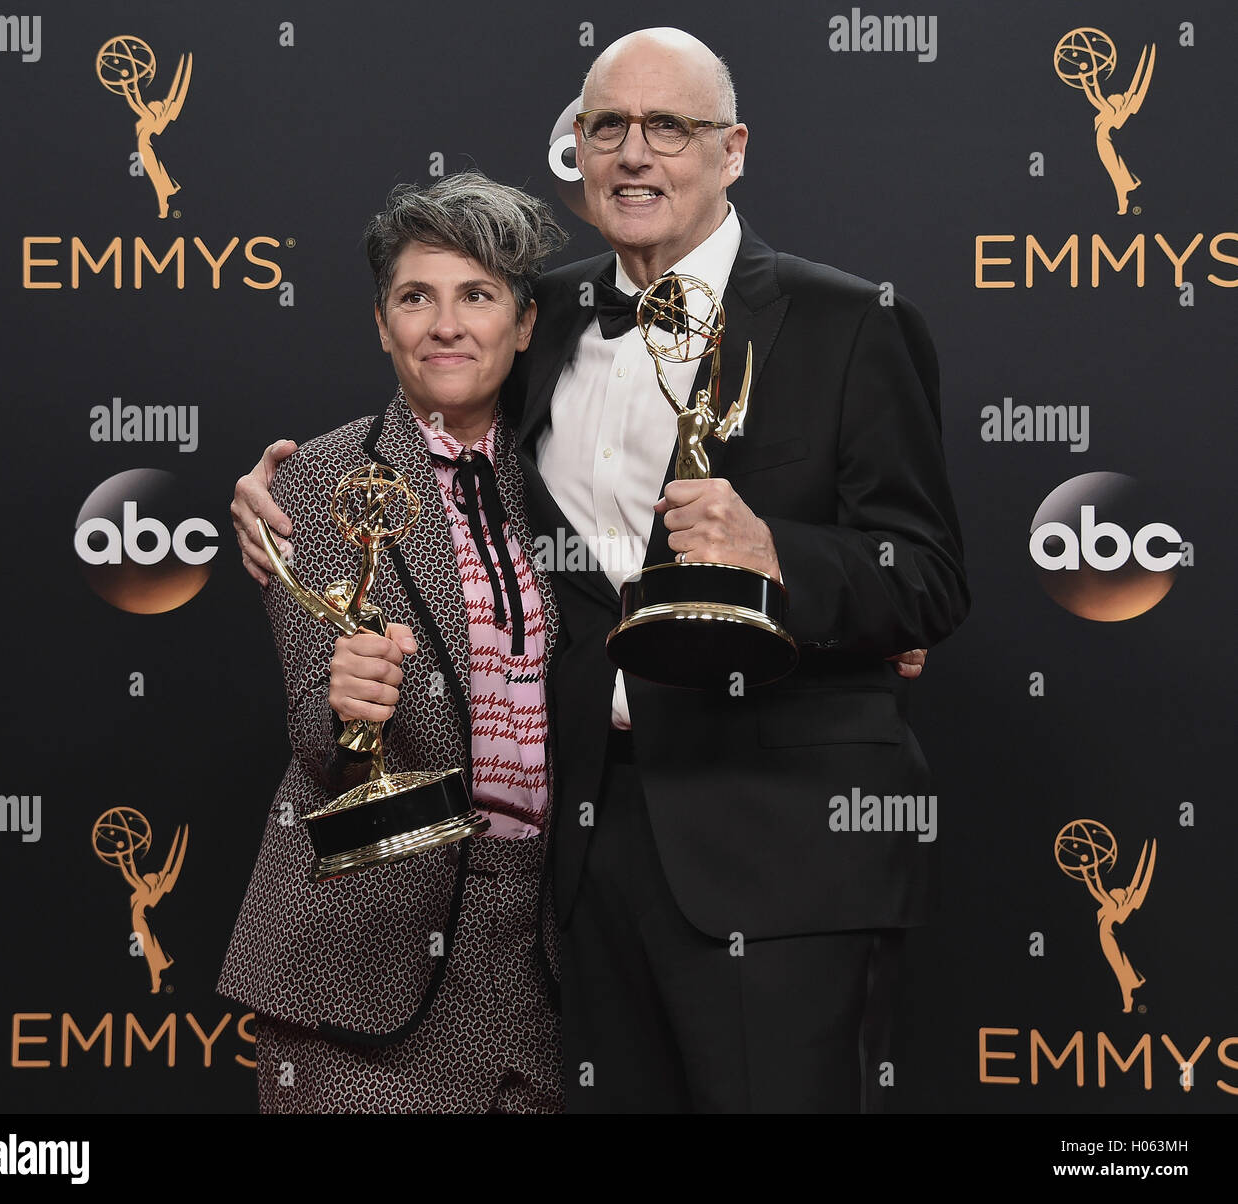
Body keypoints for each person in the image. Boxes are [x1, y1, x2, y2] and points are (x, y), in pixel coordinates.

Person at [234, 27, 968, 1113]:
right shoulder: (550, 317)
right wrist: (274, 495)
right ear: (575, 148)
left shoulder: (853, 322)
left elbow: (928, 577)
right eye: (607, 127)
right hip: (583, 862)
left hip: (779, 844)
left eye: (668, 126)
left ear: (734, 149)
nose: (634, 153)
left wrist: (782, 558)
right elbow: (434, 445)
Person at [217, 172, 568, 1113]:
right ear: (382, 324)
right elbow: (317, 742)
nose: (445, 325)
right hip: (367, 951)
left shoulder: (570, 477)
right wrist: (345, 705)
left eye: (478, 295)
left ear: (524, 324)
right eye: (417, 297)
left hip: (548, 960)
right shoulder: (321, 481)